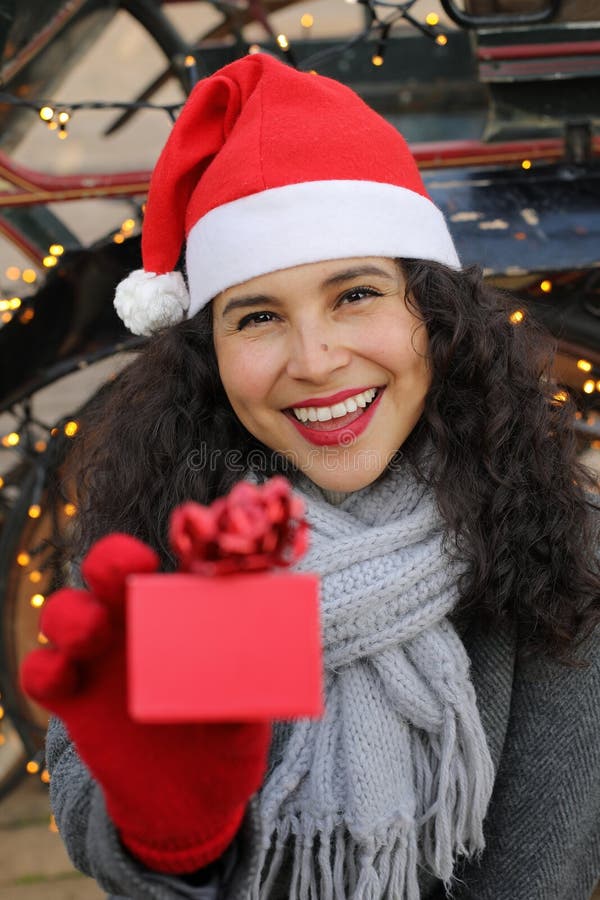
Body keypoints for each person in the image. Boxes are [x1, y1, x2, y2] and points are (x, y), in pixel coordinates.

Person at [20, 54, 600, 900]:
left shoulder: (563, 538)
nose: (316, 360)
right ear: (208, 356)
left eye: (355, 295)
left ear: (434, 313)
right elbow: (94, 802)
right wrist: (172, 839)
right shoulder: (166, 535)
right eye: (257, 316)